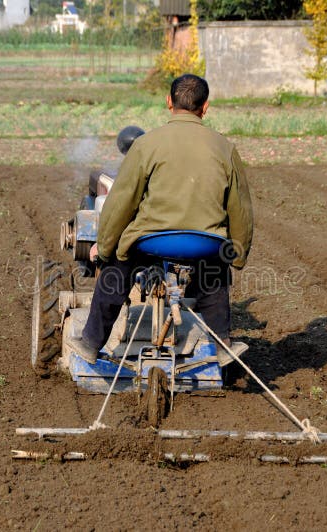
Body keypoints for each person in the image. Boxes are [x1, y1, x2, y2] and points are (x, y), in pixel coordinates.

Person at [73, 73, 253, 365]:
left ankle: (91, 342)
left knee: (118, 266)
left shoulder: (147, 144)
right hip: (204, 242)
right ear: (205, 107)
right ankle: (223, 346)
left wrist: (105, 249)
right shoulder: (225, 148)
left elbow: (121, 202)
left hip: (153, 239)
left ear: (169, 102)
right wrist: (238, 254)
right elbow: (241, 208)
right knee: (214, 272)